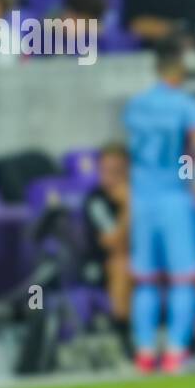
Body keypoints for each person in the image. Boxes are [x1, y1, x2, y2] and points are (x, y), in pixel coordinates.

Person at [123, 37, 195, 374]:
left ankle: (145, 353)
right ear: (181, 68)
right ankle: (177, 352)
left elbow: (129, 152)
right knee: (182, 279)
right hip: (175, 198)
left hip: (142, 198)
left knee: (146, 280)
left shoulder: (135, 106)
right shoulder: (187, 106)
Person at [82, 143, 132, 357]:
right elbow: (114, 244)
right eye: (104, 171)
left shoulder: (146, 196)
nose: (109, 178)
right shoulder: (96, 200)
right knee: (121, 264)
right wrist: (127, 208)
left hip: (148, 260)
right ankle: (125, 340)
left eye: (116, 172)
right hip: (101, 267)